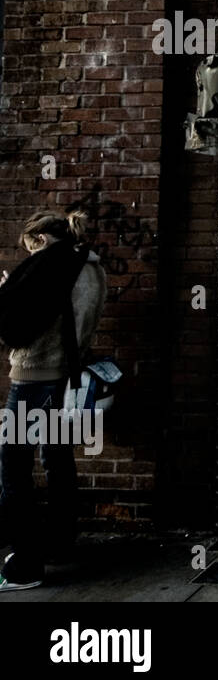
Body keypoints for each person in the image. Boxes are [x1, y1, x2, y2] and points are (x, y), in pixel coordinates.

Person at [0, 210, 107, 590]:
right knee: (57, 458)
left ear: (41, 240)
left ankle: (25, 565)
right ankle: (60, 544)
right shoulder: (91, 267)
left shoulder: (49, 267)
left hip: (34, 379)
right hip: (68, 380)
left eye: (29, 247)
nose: (29, 255)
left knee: (13, 465)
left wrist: (10, 289)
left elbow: (16, 327)